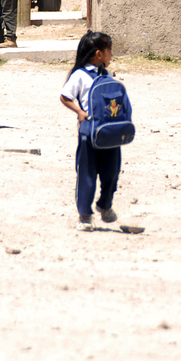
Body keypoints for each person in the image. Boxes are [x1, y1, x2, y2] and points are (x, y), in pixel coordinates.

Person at [60, 31, 121, 232]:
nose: (111, 55)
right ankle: (85, 215)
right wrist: (79, 111)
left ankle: (105, 204)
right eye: (109, 50)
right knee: (87, 174)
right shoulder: (80, 75)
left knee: (111, 172)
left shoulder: (107, 75)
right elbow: (65, 96)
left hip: (109, 133)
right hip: (89, 134)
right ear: (98, 54)